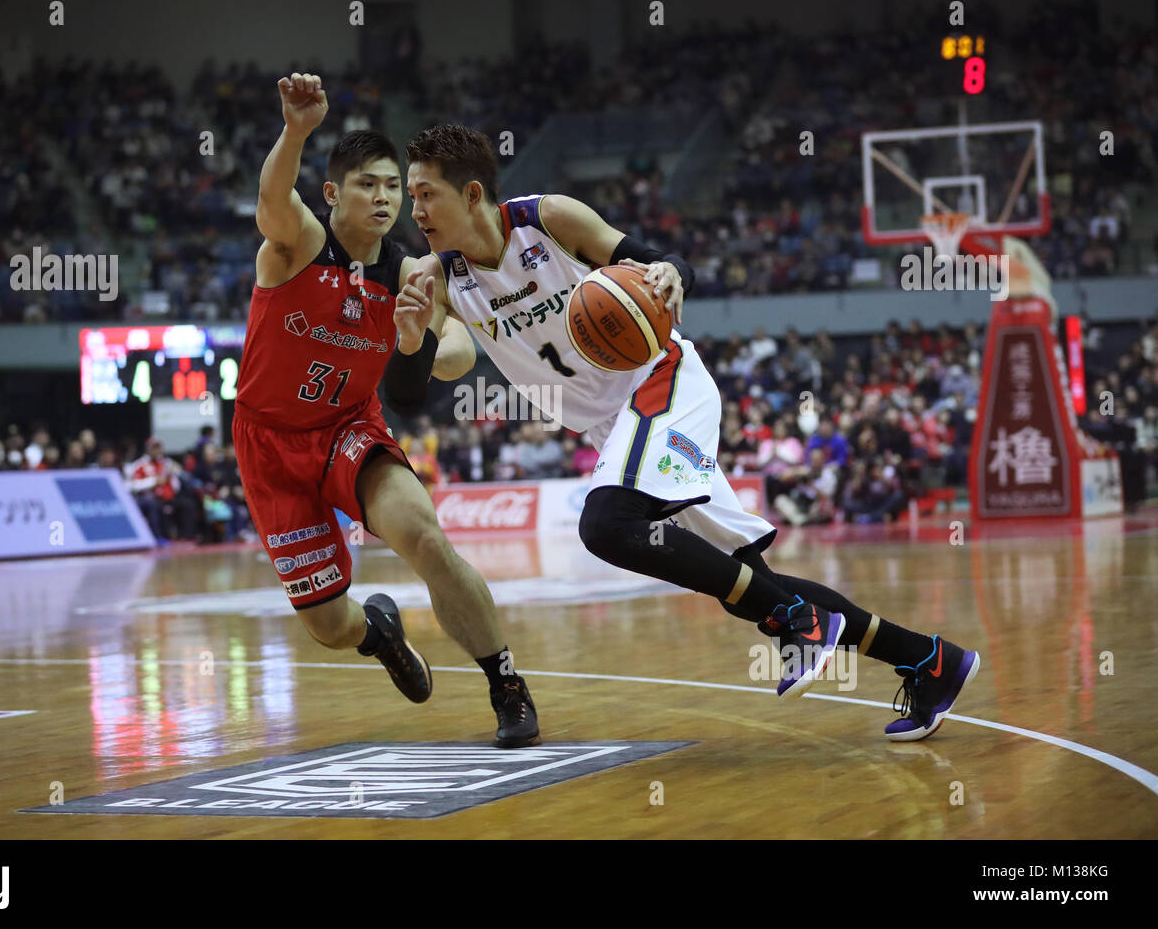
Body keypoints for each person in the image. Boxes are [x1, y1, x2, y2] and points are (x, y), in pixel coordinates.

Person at [389, 123, 979, 741]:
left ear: (472, 193)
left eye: (426, 194)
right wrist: (412, 344)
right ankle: (930, 660)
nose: (415, 209)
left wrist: (670, 273)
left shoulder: (545, 218)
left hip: (661, 379)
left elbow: (660, 264)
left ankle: (792, 621)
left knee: (607, 525)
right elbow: (421, 381)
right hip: (611, 426)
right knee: (743, 573)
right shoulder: (438, 283)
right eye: (413, 195)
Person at [232, 75, 538, 747]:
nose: (384, 197)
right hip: (271, 447)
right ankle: (379, 632)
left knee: (425, 535)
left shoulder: (411, 273)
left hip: (348, 430)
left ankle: (506, 684)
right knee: (328, 626)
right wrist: (296, 130)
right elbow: (269, 198)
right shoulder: (295, 246)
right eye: (367, 184)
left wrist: (423, 342)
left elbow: (462, 349)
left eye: (393, 187)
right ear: (334, 193)